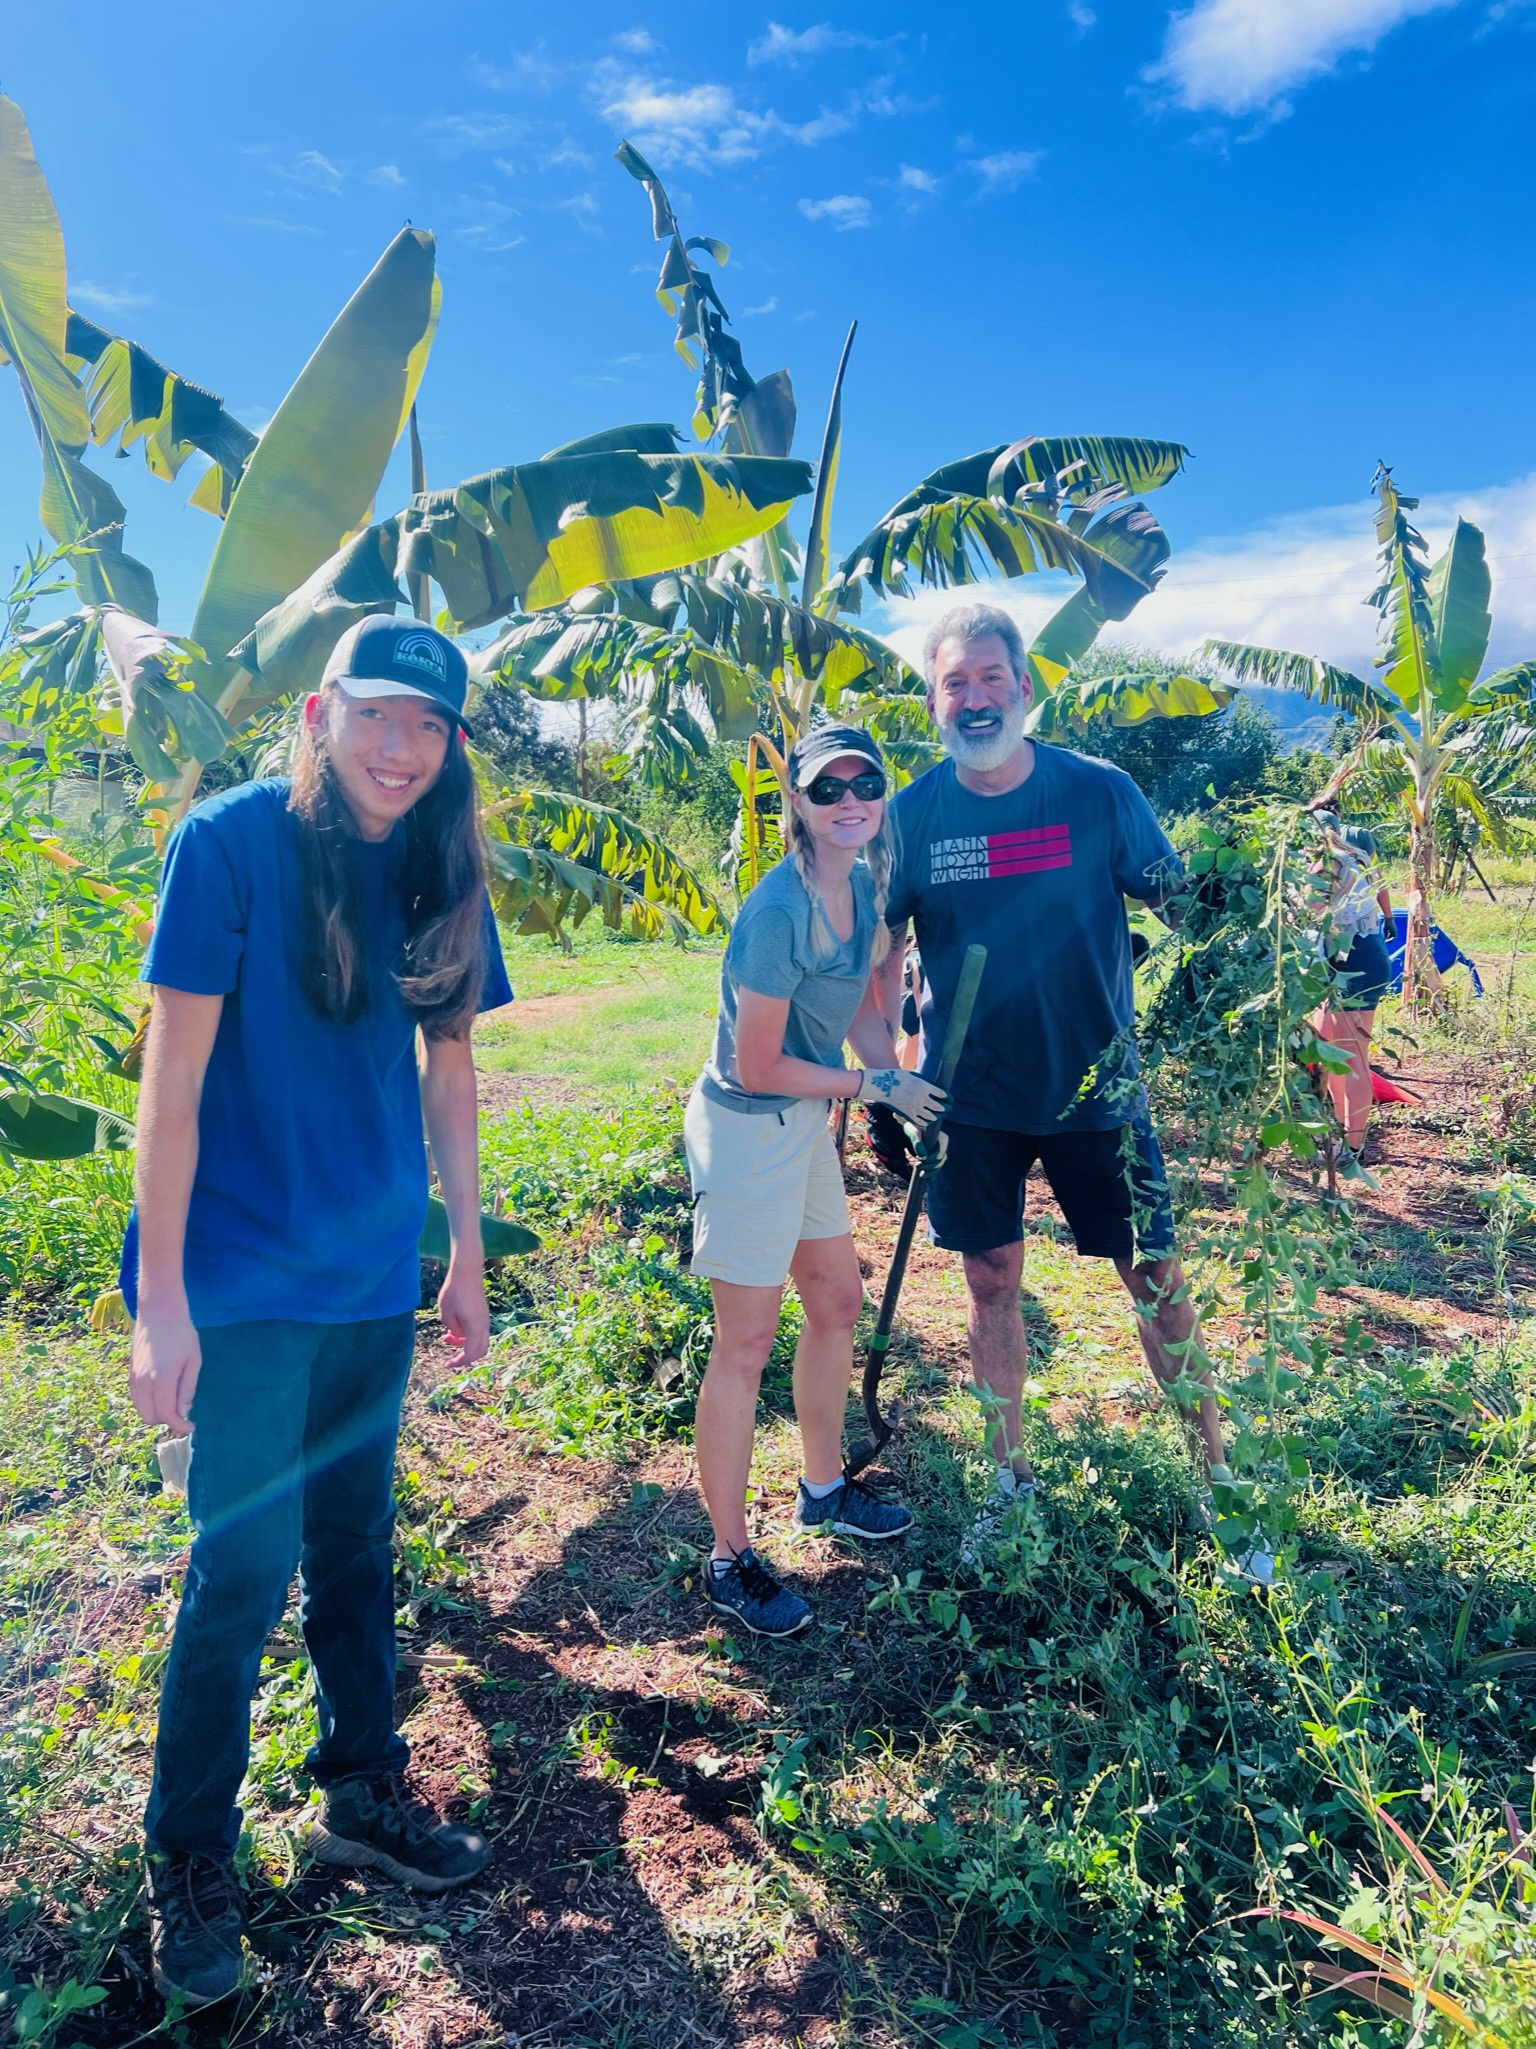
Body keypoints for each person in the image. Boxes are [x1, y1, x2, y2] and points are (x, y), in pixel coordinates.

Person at [125, 617, 512, 2008]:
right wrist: (161, 1301)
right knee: (242, 1565)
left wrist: (464, 1249)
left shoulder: (438, 859)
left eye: (431, 725)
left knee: (355, 1540)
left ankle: (360, 1790)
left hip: (367, 1269)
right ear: (318, 713)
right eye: (378, 715)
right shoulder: (228, 843)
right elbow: (170, 1083)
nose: (402, 749)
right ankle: (189, 1856)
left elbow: (450, 1068)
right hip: (239, 1271)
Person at [879, 602, 1270, 1576]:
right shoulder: (911, 817)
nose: (975, 698)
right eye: (954, 683)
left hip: (1098, 1090)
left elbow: (1185, 905)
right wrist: (886, 1072)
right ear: (933, 701)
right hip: (969, 1097)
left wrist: (1256, 895)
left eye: (990, 677)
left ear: (1024, 685)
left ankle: (1220, 1485)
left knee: (1156, 1281)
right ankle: (1007, 1486)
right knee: (990, 1280)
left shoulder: (1098, 792)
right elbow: (880, 949)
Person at [684, 726, 947, 1638]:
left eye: (863, 783)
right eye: (826, 788)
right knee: (745, 1341)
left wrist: (901, 1083)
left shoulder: (866, 884)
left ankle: (823, 1487)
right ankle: (728, 1558)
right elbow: (756, 1063)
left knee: (836, 1301)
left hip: (801, 1119)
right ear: (796, 800)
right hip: (747, 1127)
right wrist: (869, 1086)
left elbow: (868, 1013)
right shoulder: (777, 913)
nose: (848, 800)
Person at [1313, 816, 1394, 1166]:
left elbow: (1308, 910)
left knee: (1353, 1056)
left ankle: (1353, 1147)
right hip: (1346, 958)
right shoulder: (1352, 855)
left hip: (1356, 962)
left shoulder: (1330, 863)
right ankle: (1340, 1135)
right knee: (1333, 1051)